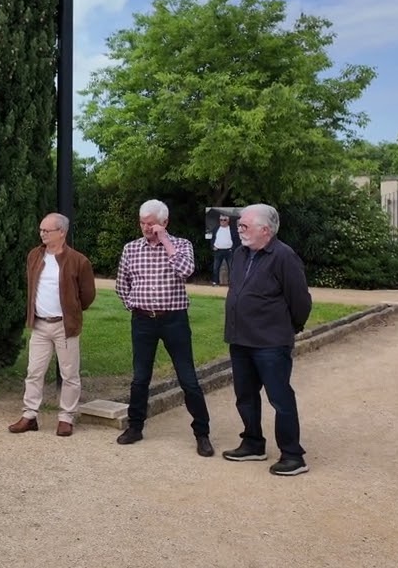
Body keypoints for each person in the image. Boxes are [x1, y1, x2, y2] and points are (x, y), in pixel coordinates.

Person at [114, 199, 214, 457]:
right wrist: (133, 305)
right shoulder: (131, 249)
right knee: (140, 378)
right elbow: (121, 283)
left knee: (188, 379)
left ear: (165, 222)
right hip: (143, 320)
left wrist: (166, 241)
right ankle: (135, 427)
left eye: (152, 223)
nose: (146, 228)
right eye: (143, 223)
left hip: (174, 319)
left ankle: (202, 433)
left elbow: (186, 271)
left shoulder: (181, 246)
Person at [222, 204, 313, 476]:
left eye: (244, 226)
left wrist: (289, 328)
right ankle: (252, 443)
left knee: (280, 398)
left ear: (265, 230)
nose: (240, 230)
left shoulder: (284, 256)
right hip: (240, 339)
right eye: (239, 226)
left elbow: (300, 301)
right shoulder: (240, 254)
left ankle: (293, 455)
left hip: (271, 342)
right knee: (245, 396)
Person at [9, 213, 96, 437]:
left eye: (47, 231)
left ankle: (66, 417)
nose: (42, 234)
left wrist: (72, 311)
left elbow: (87, 295)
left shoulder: (79, 261)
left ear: (62, 232)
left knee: (69, 374)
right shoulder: (35, 256)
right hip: (40, 325)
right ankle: (29, 415)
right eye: (41, 230)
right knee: (34, 371)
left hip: (65, 325)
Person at [207, 213, 238, 286]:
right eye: (221, 220)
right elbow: (213, 239)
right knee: (215, 268)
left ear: (228, 220)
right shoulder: (216, 229)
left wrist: (232, 249)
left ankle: (231, 283)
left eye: (224, 220)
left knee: (231, 268)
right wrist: (213, 246)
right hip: (218, 250)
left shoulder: (232, 229)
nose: (223, 221)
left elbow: (236, 240)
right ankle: (215, 282)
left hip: (229, 251)